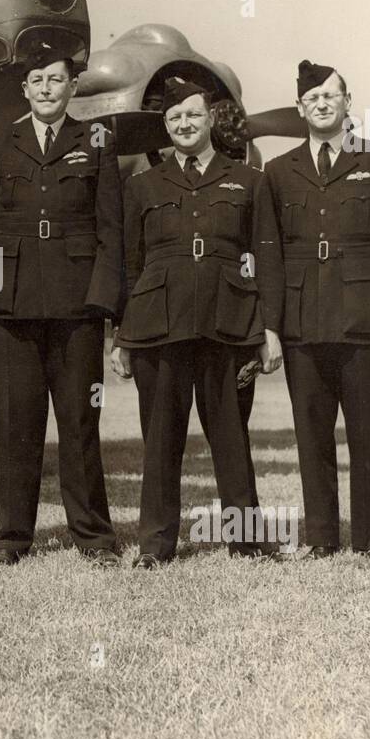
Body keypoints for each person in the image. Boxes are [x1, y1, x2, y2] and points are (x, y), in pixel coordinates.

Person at [111, 80, 283, 566]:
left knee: (232, 439)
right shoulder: (143, 185)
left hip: (227, 325)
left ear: (210, 118)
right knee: (160, 442)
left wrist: (270, 330)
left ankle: (247, 542)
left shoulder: (248, 180)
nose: (184, 124)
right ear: (165, 128)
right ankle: (155, 545)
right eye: (174, 119)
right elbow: (128, 266)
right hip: (157, 328)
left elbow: (267, 256)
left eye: (192, 115)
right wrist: (120, 335)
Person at [0, 43, 123, 565]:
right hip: (10, 309)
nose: (48, 89)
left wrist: (104, 308)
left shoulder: (96, 141)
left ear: (72, 87)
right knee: (15, 423)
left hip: (77, 309)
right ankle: (12, 536)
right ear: (25, 89)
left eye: (58, 80)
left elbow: (110, 232)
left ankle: (93, 537)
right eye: (39, 80)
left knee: (79, 423)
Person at [255, 60, 370, 556]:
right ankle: (322, 538)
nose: (322, 104)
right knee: (311, 434)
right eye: (312, 99)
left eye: (331, 96)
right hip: (304, 322)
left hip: (368, 321)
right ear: (300, 108)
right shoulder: (278, 172)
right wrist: (274, 324)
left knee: (369, 434)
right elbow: (269, 251)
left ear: (348, 103)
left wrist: (368, 282)